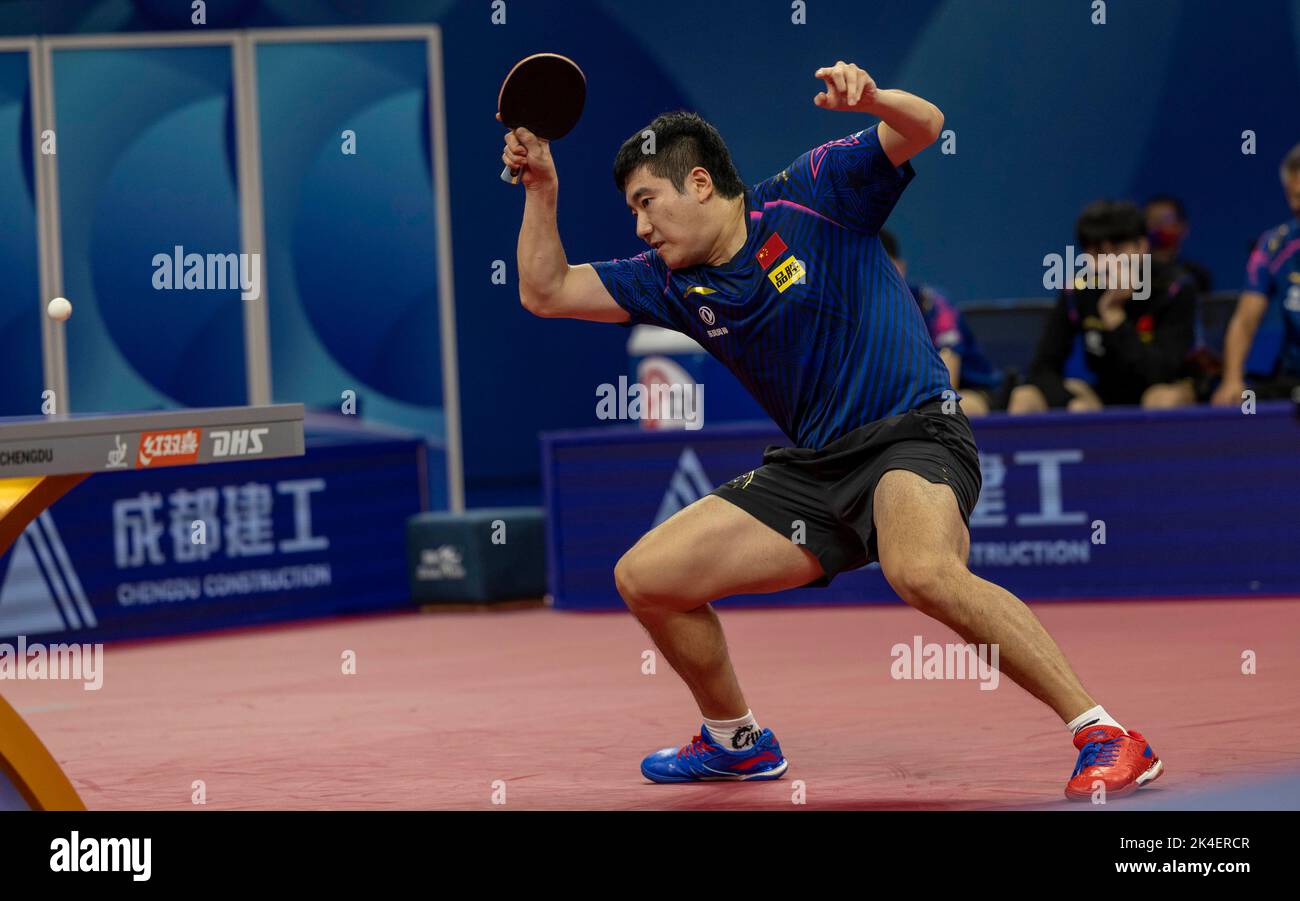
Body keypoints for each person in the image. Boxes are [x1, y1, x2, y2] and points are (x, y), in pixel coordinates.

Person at [501, 60, 1162, 800]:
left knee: (921, 570)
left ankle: (1105, 732)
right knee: (645, 578)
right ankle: (735, 739)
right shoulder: (669, 280)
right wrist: (541, 190)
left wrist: (873, 97)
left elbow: (926, 126)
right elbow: (546, 289)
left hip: (914, 434)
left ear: (698, 183)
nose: (641, 226)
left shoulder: (813, 194)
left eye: (646, 202)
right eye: (631, 212)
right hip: (815, 469)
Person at [1008, 199, 1199, 414]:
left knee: (1160, 399)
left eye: (1117, 249)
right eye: (1097, 252)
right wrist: (1069, 401)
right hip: (1105, 391)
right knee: (1026, 396)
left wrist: (1114, 315)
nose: (1108, 262)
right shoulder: (1078, 290)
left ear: (1141, 247)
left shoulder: (1173, 288)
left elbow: (1160, 372)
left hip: (1168, 386)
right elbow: (1042, 369)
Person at [879, 229, 1007, 415]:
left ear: (901, 266)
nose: (880, 277)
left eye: (886, 267)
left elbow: (948, 373)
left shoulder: (933, 303)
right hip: (913, 402)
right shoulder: (859, 314)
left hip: (975, 391)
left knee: (946, 411)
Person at [1211, 142, 1300, 406]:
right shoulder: (1275, 245)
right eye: (1295, 196)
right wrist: (1232, 379)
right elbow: (1245, 321)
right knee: (1235, 399)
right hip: (1292, 379)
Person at [1144, 194, 1213, 294]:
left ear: (1182, 227)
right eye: (1152, 221)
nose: (1157, 228)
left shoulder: (1196, 275)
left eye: (1163, 221)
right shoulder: (1132, 273)